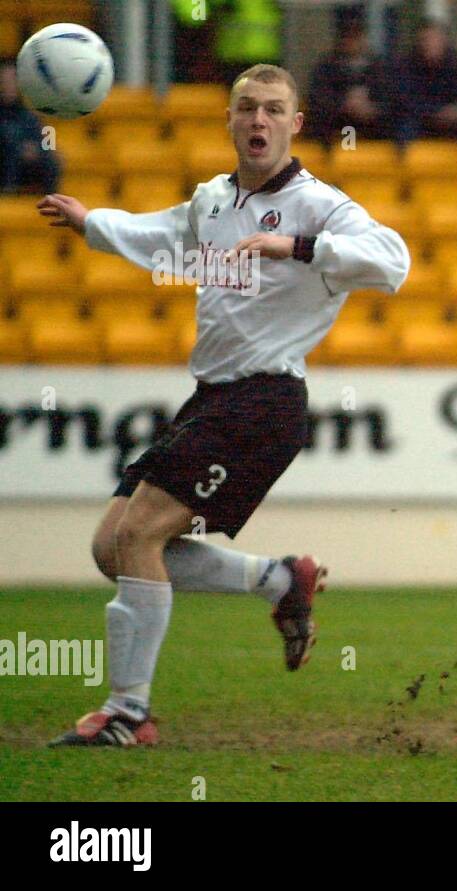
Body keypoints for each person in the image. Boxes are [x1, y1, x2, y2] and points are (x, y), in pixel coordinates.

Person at [36, 64, 411, 747]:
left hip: (265, 400)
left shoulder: (319, 204)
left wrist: (294, 246)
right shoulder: (213, 200)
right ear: (230, 120)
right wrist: (94, 224)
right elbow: (167, 238)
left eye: (273, 110)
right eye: (247, 109)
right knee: (110, 546)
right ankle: (278, 578)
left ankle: (128, 711)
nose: (258, 121)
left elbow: (393, 261)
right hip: (211, 397)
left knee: (139, 533)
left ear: (296, 124)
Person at [306, 18, 393, 143]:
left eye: (356, 37)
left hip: (373, 126)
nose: (352, 42)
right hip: (339, 125)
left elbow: (391, 100)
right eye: (348, 37)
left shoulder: (380, 68)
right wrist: (344, 105)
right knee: (337, 131)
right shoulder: (327, 67)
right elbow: (318, 99)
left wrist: (372, 108)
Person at [393, 21, 457, 147]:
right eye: (426, 40)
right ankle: (403, 164)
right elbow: (405, 101)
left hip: (451, 122)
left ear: (444, 41)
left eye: (435, 39)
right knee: (403, 129)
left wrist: (456, 112)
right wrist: (436, 112)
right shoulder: (406, 65)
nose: (430, 44)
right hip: (421, 120)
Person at [0, 59, 61, 194]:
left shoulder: (30, 116)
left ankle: (50, 200)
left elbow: (48, 142)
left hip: (26, 166)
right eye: (4, 81)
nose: (8, 86)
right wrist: (18, 147)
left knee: (51, 159)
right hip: (6, 164)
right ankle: (7, 199)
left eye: (12, 81)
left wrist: (38, 150)